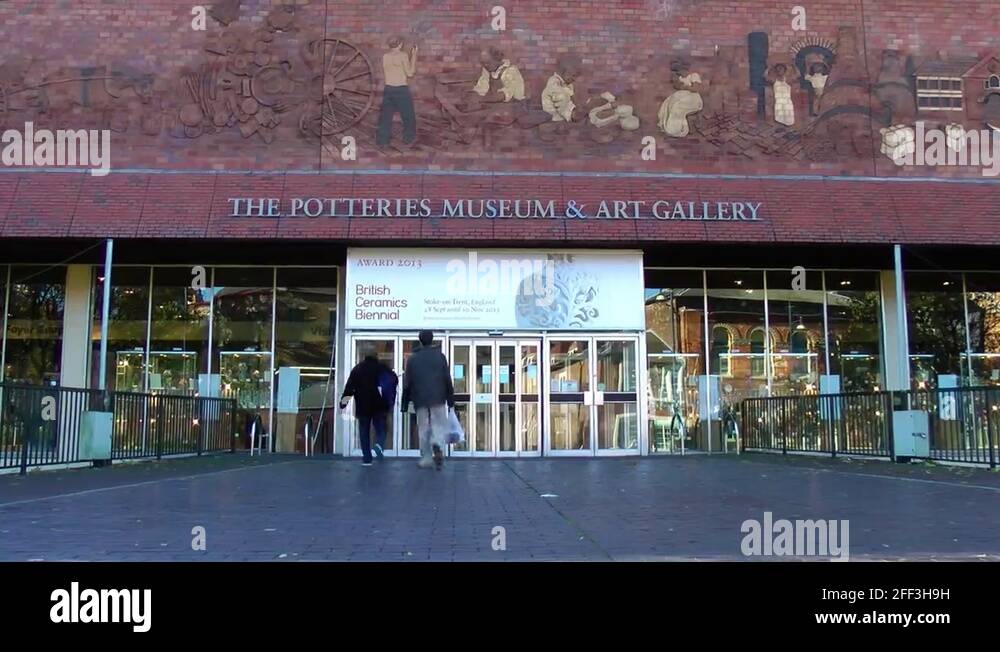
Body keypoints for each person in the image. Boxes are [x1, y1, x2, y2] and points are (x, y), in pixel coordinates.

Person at [401, 330, 454, 470]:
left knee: (423, 429)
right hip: (438, 398)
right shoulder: (440, 357)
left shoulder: (412, 359)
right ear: (432, 340)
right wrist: (450, 399)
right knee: (439, 426)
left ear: (420, 340)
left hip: (420, 399)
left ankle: (426, 458)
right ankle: (436, 442)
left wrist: (404, 403)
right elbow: (447, 379)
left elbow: (408, 383)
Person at [340, 353, 397, 466]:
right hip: (379, 404)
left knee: (364, 431)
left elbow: (350, 387)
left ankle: (367, 458)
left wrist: (344, 402)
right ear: (376, 358)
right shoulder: (381, 367)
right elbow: (394, 379)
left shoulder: (358, 369)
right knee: (381, 428)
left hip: (363, 405)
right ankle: (379, 445)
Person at [377, 36, 418, 148]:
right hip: (401, 89)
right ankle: (408, 138)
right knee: (408, 115)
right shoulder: (403, 55)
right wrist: (414, 55)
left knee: (386, 116)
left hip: (388, 89)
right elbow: (410, 73)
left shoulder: (385, 56)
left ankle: (382, 141)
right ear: (400, 44)